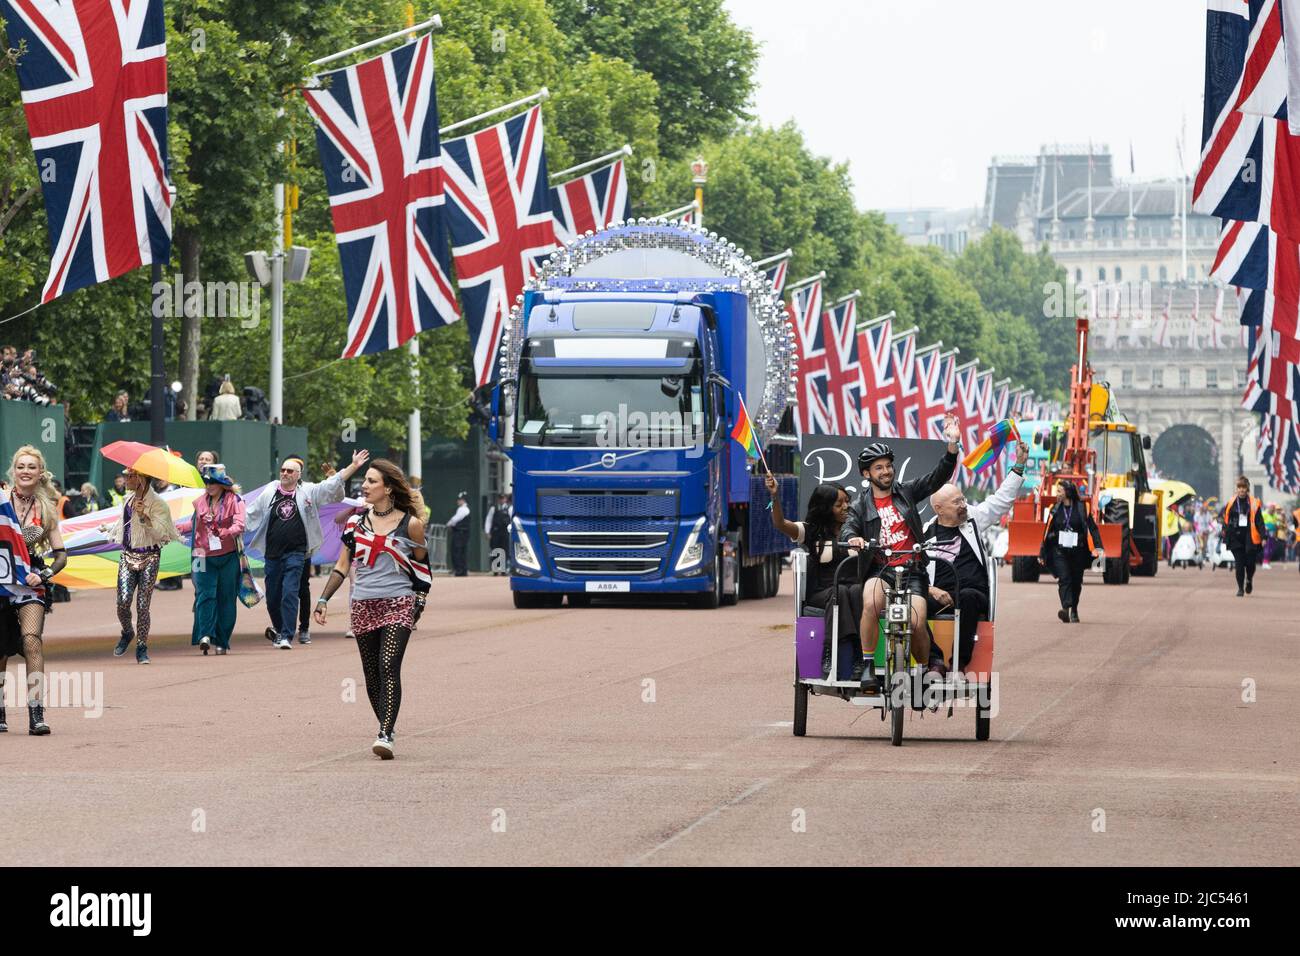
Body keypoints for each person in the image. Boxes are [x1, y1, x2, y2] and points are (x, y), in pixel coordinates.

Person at [314, 459, 429, 759]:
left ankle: (385, 734)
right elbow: (342, 566)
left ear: (388, 488)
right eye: (364, 481)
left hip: (399, 602)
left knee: (388, 664)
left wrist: (420, 600)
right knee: (371, 673)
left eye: (371, 481)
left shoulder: (411, 524)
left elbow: (422, 568)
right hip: (363, 604)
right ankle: (386, 721)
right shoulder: (354, 523)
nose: (363, 486)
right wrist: (324, 599)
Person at [841, 413, 962, 685]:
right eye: (878, 468)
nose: (886, 472)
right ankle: (869, 666)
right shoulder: (860, 505)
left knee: (918, 622)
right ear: (866, 474)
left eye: (888, 466)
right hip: (880, 569)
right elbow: (848, 527)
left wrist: (952, 444)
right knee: (870, 602)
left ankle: (924, 670)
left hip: (913, 571)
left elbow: (937, 477)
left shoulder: (906, 492)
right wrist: (854, 539)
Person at [245, 450, 369, 649]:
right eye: (283, 470)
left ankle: (287, 635)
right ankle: (279, 630)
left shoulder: (308, 491)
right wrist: (231, 528)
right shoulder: (270, 491)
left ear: (298, 475)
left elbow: (330, 485)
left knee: (290, 592)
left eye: (290, 471)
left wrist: (353, 466)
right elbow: (249, 514)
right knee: (273, 596)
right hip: (272, 553)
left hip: (297, 552)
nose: (285, 473)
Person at [922, 441, 1028, 672]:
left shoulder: (972, 519)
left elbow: (1000, 502)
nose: (963, 505)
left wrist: (1018, 465)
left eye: (963, 499)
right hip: (939, 593)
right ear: (939, 509)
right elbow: (916, 573)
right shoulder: (925, 534)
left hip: (972, 592)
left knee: (968, 597)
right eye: (956, 502)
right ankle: (934, 660)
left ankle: (959, 661)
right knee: (914, 605)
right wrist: (932, 591)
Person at [0, 447, 68, 734]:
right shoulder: (2, 500)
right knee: (0, 650)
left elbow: (61, 554)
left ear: (41, 473)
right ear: (13, 471)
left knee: (31, 640)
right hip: (2, 578)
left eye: (32, 467)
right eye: (21, 466)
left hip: (30, 580)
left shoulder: (47, 508)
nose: (25, 471)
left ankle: (36, 714)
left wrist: (45, 574)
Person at [767, 475, 861, 678]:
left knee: (853, 590)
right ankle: (830, 651)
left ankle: (860, 655)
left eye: (847, 501)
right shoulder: (811, 531)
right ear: (826, 507)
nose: (846, 506)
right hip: (822, 591)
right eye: (839, 504)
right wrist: (775, 496)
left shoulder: (857, 528)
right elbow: (780, 524)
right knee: (840, 592)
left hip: (854, 590)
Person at [103, 468, 179, 663]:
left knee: (143, 605)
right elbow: (122, 525)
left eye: (130, 476)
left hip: (150, 556)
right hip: (128, 555)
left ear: (142, 479)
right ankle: (128, 632)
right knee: (123, 602)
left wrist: (144, 516)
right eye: (126, 475)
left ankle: (142, 647)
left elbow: (162, 534)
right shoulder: (127, 500)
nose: (126, 479)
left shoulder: (159, 504)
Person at [190, 466, 246, 656]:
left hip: (228, 555)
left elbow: (240, 525)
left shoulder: (234, 500)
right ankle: (205, 634)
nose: (209, 486)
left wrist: (223, 532)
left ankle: (222, 641)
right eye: (206, 482)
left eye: (213, 482)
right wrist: (173, 528)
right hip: (201, 555)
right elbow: (194, 525)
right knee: (204, 594)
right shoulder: (199, 502)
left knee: (226, 598)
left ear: (222, 484)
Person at [1040, 480, 1102, 623]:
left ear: (1067, 493)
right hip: (1059, 551)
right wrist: (1042, 551)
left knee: (1076, 582)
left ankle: (1074, 609)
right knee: (1064, 578)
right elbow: (1046, 531)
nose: (1057, 494)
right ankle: (1065, 608)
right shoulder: (1054, 509)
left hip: (1078, 551)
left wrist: (1098, 548)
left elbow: (1092, 529)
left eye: (1059, 491)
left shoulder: (1082, 508)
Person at [1222, 477, 1265, 596]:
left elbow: (1259, 521)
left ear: (1247, 489)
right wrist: (1224, 531)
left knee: (1250, 564)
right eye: (1239, 487)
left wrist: (1264, 536)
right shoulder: (1231, 503)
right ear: (1236, 489)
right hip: (1235, 537)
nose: (1241, 490)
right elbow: (1225, 519)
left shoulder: (1254, 503)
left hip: (1249, 536)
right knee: (1239, 564)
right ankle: (1240, 588)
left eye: (1243, 487)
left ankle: (1249, 580)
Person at [484, 493, 512, 575]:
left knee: (504, 550)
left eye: (503, 498)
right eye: (500, 498)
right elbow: (488, 520)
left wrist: (510, 530)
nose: (502, 500)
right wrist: (487, 531)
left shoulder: (509, 508)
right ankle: (495, 570)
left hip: (505, 532)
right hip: (496, 532)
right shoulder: (493, 508)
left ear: (505, 499)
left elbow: (512, 520)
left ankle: (503, 570)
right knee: (495, 549)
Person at [447, 491, 470, 576]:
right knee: (461, 552)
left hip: (460, 533)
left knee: (457, 551)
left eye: (460, 500)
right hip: (462, 534)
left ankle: (459, 570)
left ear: (463, 500)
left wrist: (448, 524)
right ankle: (462, 570)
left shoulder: (463, 509)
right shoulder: (464, 509)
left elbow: (455, 519)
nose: (458, 501)